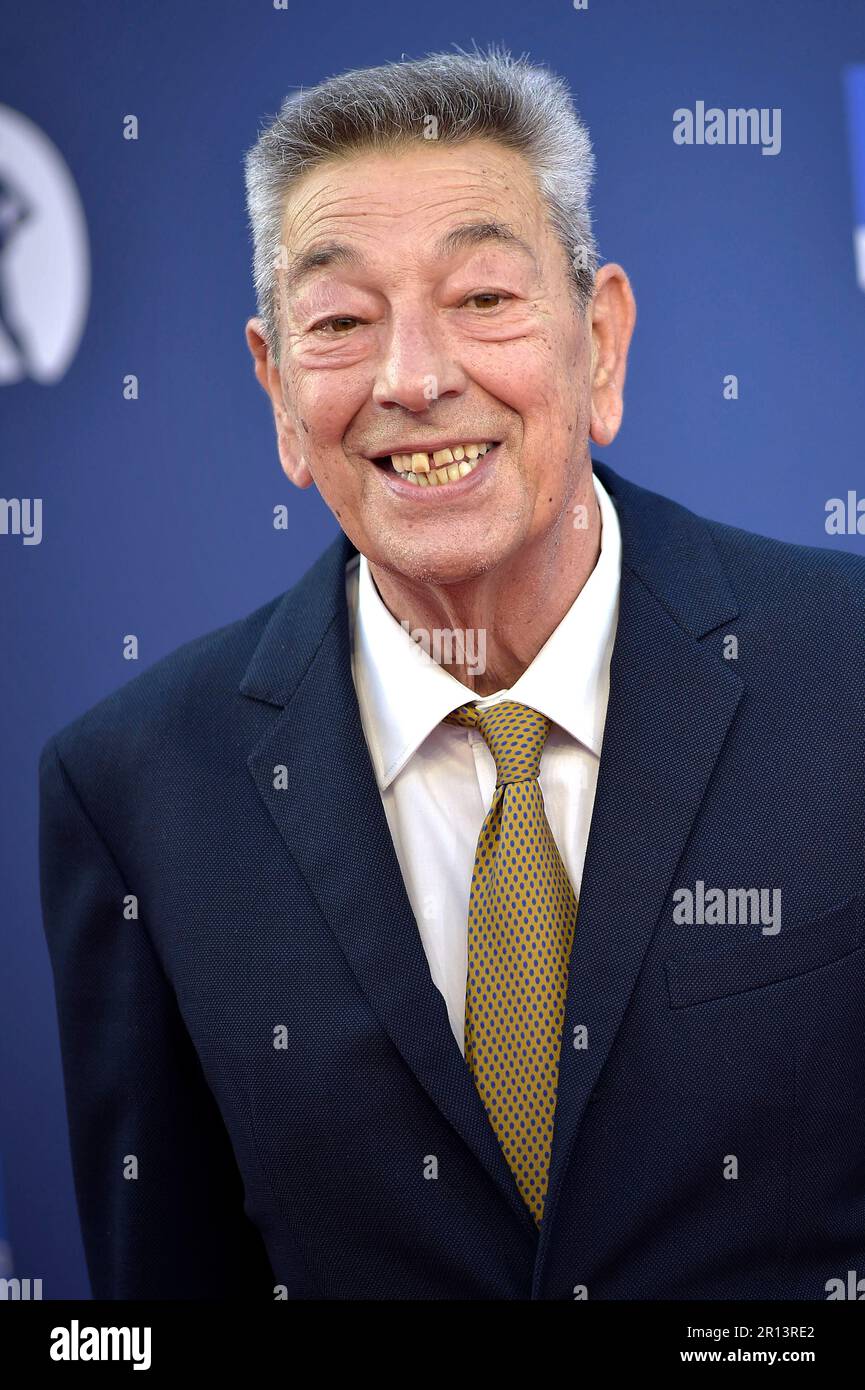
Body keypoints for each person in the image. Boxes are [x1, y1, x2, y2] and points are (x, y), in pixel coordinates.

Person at [39, 47, 865, 1300]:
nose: (414, 379)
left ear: (603, 341)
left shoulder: (842, 671)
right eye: (339, 321)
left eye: (482, 298)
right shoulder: (137, 786)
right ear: (275, 390)